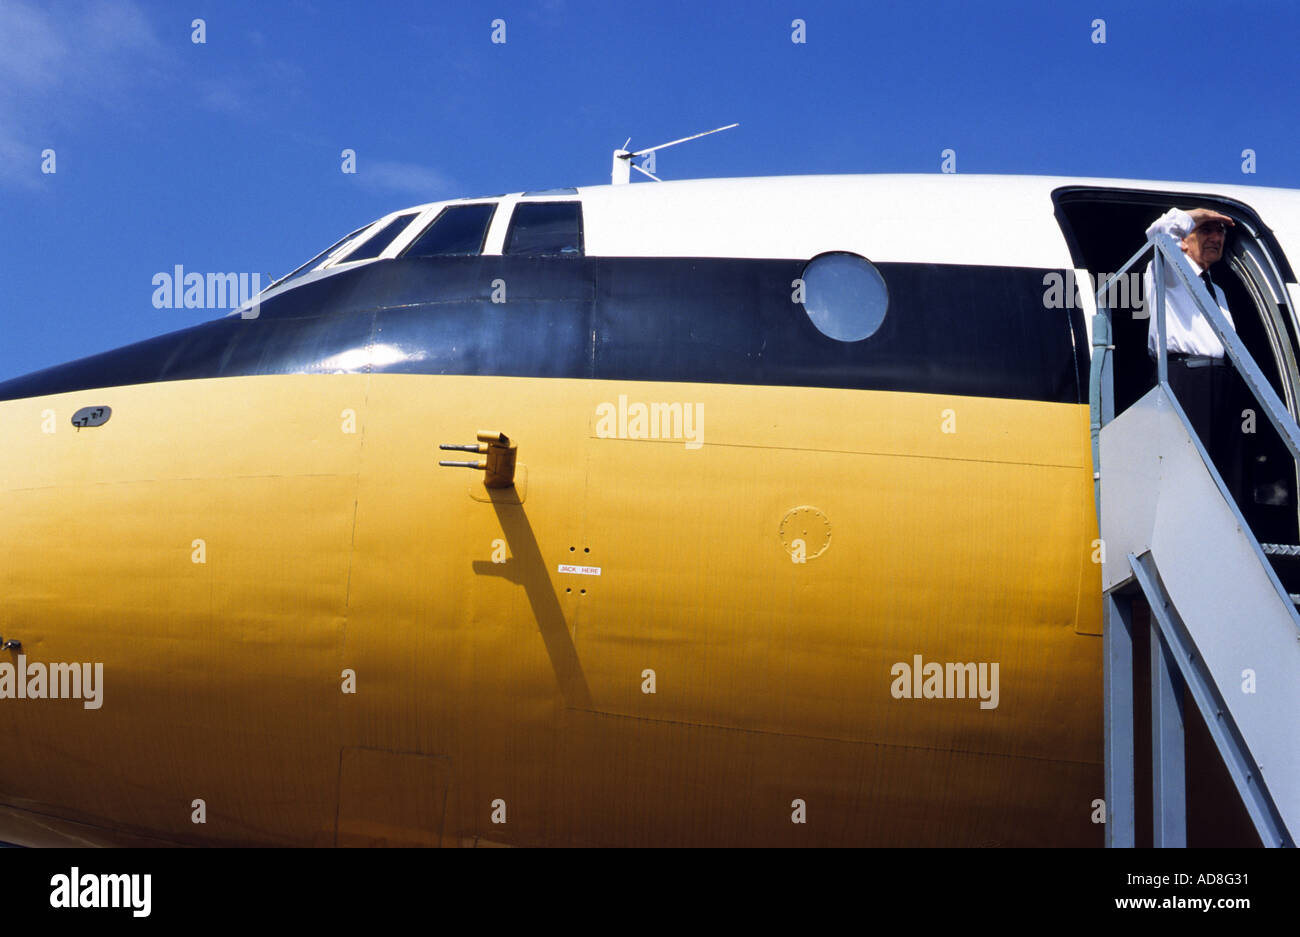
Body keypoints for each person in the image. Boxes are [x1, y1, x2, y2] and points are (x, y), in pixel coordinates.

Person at [1143, 206, 1244, 501]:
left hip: (1220, 381)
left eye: (1220, 231)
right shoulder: (1172, 270)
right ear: (1184, 241)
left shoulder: (1218, 291)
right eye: (1206, 230)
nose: (1216, 237)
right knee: (1187, 472)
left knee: (1224, 474)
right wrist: (1198, 213)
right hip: (1186, 378)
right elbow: (1159, 232)